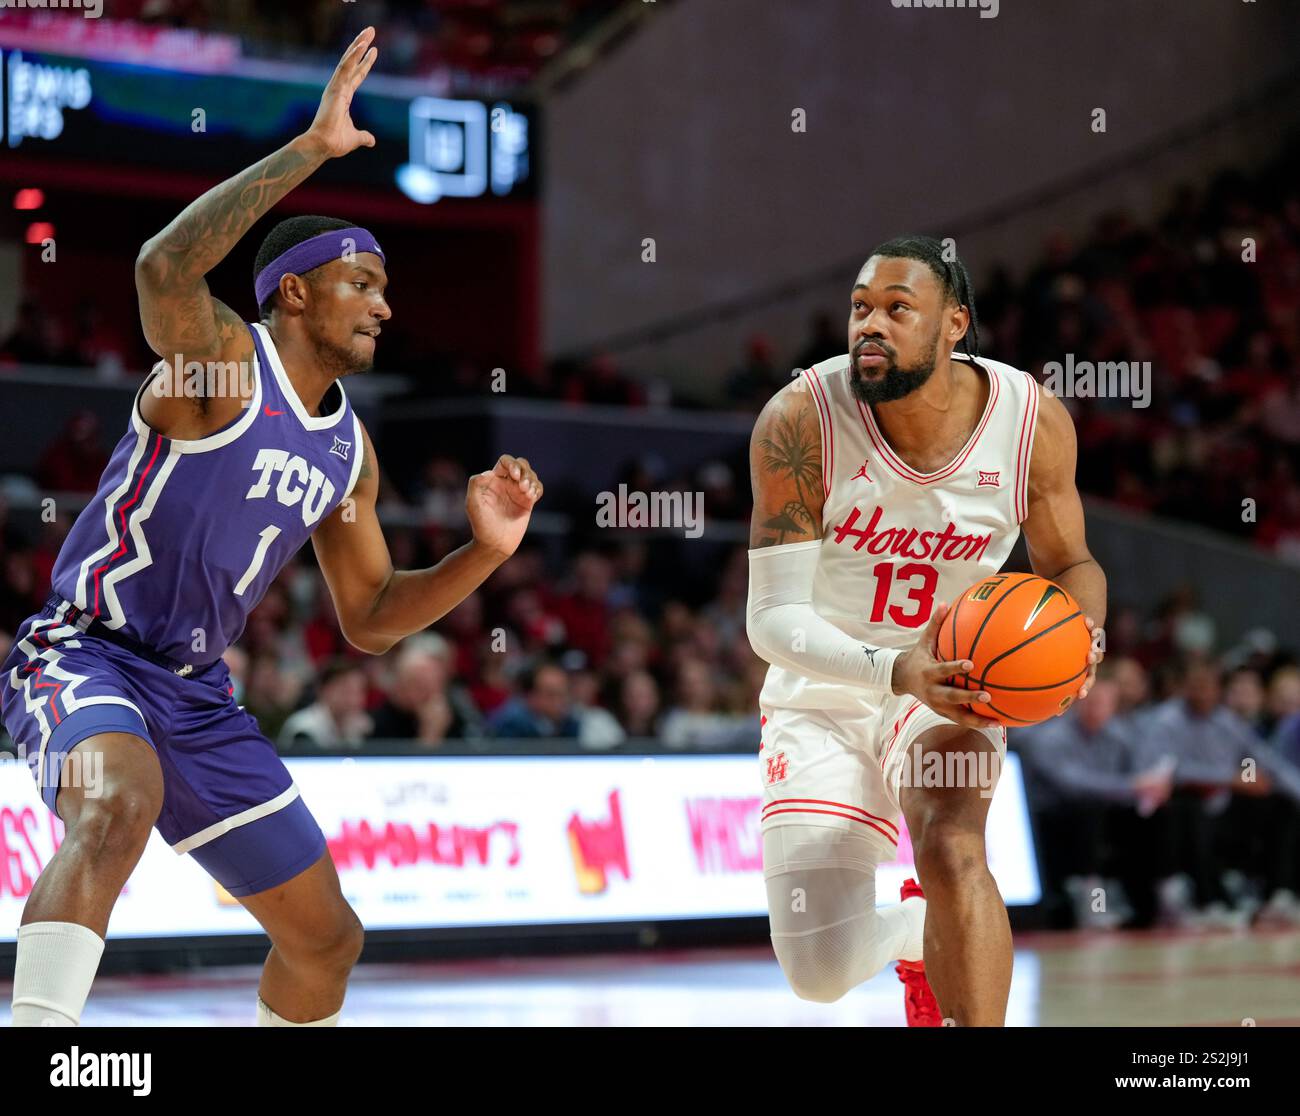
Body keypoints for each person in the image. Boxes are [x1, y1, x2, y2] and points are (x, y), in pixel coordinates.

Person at [0, 29, 544, 1029]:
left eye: (385, 286)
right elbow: (166, 266)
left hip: (198, 697)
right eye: (363, 282)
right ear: (294, 291)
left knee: (327, 939)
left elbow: (373, 617)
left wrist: (484, 553)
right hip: (86, 656)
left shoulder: (352, 451)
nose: (385, 303)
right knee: (115, 803)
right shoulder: (220, 368)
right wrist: (309, 149)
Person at [746, 236, 1106, 1026]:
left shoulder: (1030, 421)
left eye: (898, 310)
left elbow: (1072, 563)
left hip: (954, 678)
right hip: (827, 684)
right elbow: (770, 620)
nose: (870, 326)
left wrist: (1086, 637)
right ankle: (916, 932)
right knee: (818, 973)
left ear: (954, 326)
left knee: (952, 848)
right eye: (860, 308)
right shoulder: (800, 420)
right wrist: (889, 669)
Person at [278, 659, 373, 752]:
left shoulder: (362, 726)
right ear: (324, 690)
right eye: (347, 691)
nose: (355, 699)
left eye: (359, 692)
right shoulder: (303, 729)